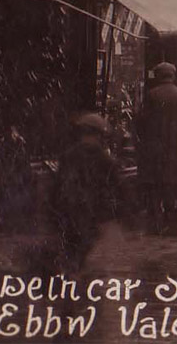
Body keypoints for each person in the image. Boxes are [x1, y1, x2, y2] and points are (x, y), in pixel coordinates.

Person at [50, 114, 124, 272]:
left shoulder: (68, 156)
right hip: (93, 213)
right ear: (99, 135)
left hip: (71, 211)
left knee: (73, 249)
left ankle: (74, 278)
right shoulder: (105, 159)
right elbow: (117, 187)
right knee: (85, 248)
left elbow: (57, 186)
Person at [136, 62, 177, 232]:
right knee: (173, 180)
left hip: (156, 147)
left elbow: (142, 121)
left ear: (158, 76)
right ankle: (172, 214)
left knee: (156, 181)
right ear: (173, 76)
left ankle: (156, 215)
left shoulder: (152, 95)